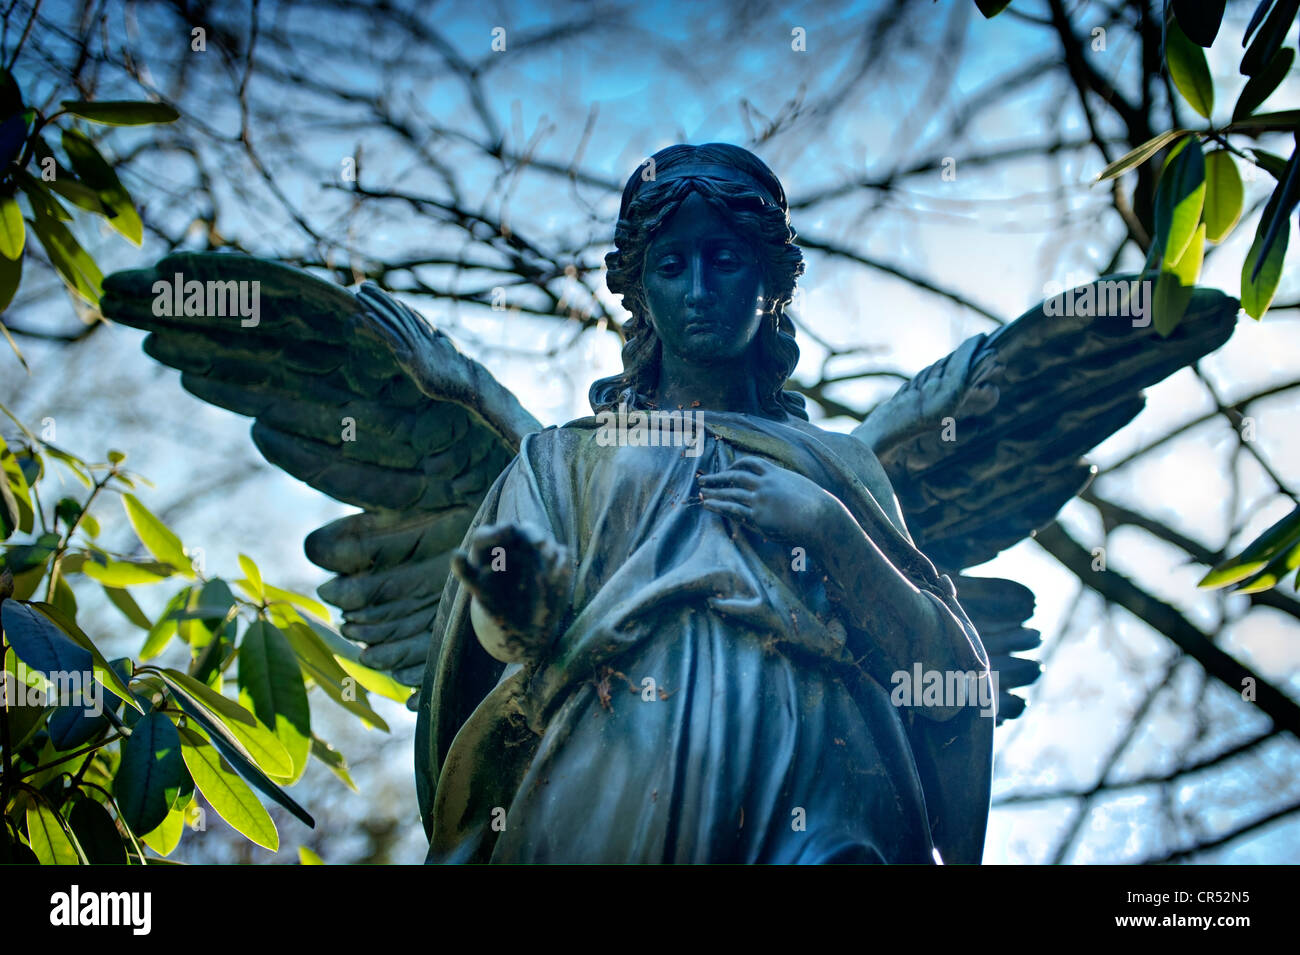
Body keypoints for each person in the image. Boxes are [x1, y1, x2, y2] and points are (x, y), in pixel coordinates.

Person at [415, 142, 994, 863]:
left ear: (770, 282)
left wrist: (830, 530)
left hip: (832, 790)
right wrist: (515, 604)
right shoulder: (566, 456)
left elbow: (941, 672)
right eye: (670, 264)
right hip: (616, 781)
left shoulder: (838, 465)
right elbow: (497, 645)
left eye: (724, 260)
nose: (697, 288)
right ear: (641, 291)